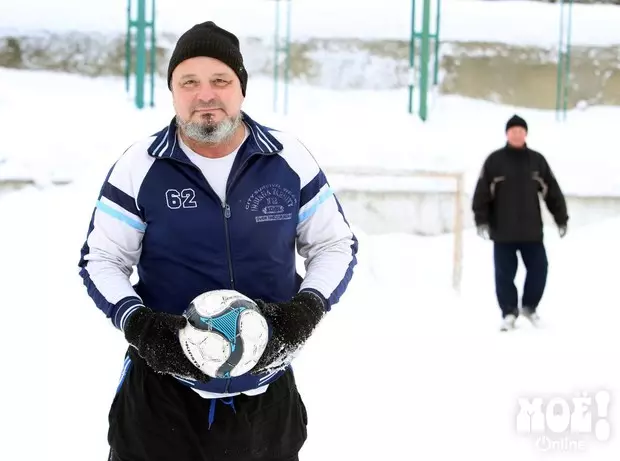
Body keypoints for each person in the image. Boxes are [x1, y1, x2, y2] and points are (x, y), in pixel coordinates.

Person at [78, 21, 358, 461]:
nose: (205, 95)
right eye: (188, 82)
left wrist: (304, 312)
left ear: (241, 89)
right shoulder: (139, 166)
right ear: (172, 91)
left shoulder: (288, 160)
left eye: (220, 81)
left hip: (265, 403)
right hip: (160, 397)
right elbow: (103, 259)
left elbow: (335, 246)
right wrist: (142, 327)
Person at [471, 114, 568, 331]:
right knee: (504, 274)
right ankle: (509, 312)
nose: (517, 134)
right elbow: (482, 194)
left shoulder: (536, 161)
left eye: (520, 130)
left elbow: (552, 192)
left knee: (539, 268)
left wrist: (561, 219)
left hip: (531, 231)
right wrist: (482, 221)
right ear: (507, 134)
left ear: (526, 134)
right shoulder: (494, 161)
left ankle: (529, 307)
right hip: (503, 230)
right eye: (513, 130)